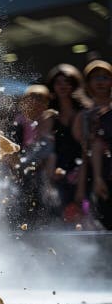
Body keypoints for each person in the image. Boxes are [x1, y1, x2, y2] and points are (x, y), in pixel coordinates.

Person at [44, 64, 92, 222]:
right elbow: (47, 150)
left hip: (82, 171)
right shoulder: (49, 115)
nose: (63, 85)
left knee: (85, 218)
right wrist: (49, 179)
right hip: (57, 174)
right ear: (52, 86)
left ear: (74, 84)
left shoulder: (83, 113)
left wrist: (81, 188)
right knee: (59, 221)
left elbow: (86, 151)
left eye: (67, 81)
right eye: (58, 82)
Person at [6, 84, 57, 227]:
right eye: (32, 99)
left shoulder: (47, 118)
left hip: (40, 163)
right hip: (24, 161)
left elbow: (46, 143)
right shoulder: (19, 120)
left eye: (41, 100)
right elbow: (13, 144)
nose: (36, 103)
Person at [72, 60, 112, 229]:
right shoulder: (84, 116)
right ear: (88, 83)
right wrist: (81, 189)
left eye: (105, 77)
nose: (100, 81)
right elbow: (84, 152)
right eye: (96, 77)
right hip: (96, 177)